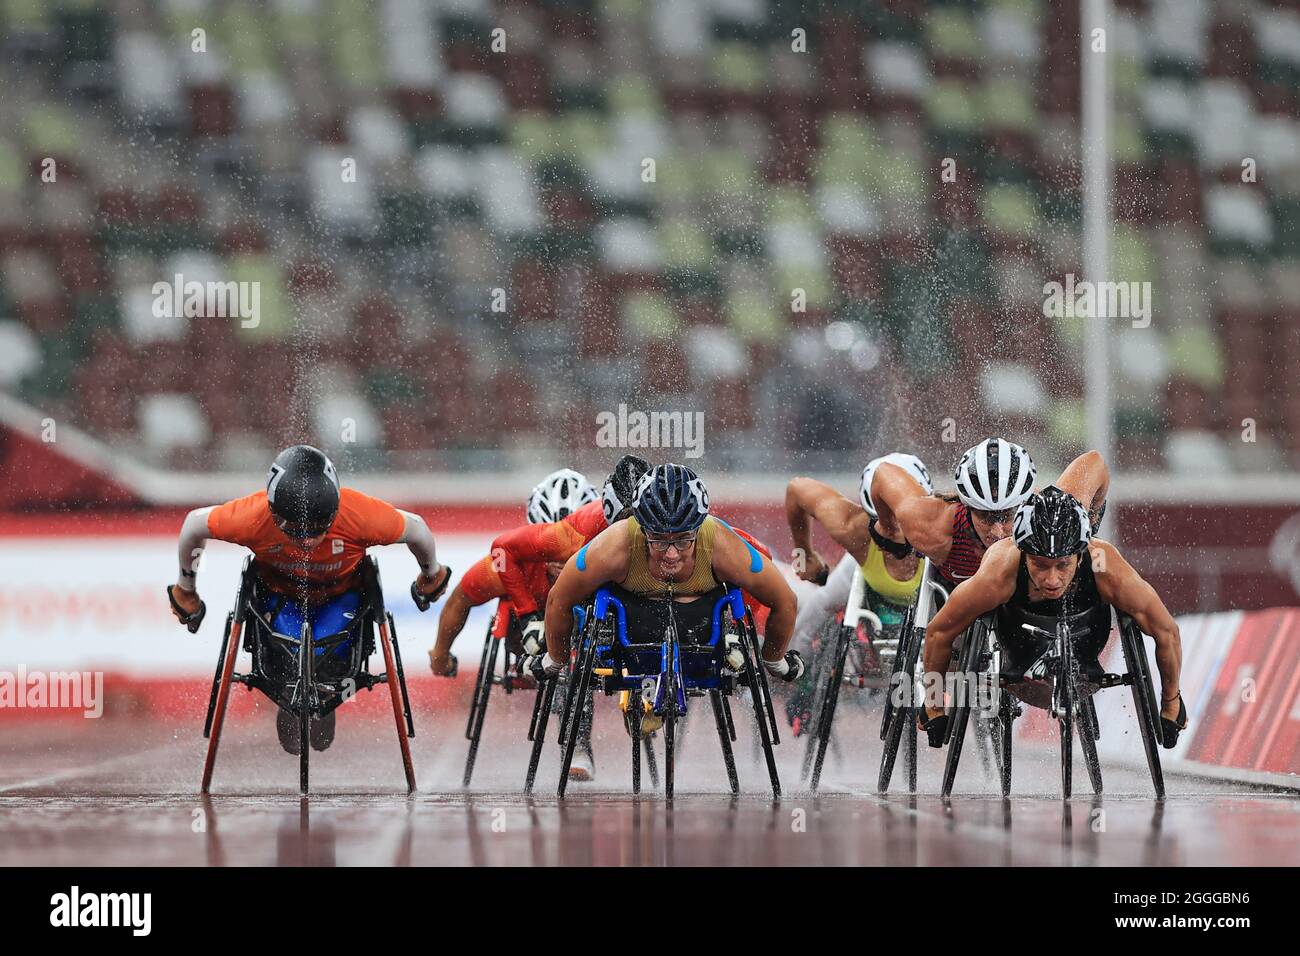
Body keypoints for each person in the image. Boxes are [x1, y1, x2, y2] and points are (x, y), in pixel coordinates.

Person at [166, 445, 452, 754]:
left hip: (342, 599)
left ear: (334, 510)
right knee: (288, 656)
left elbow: (417, 530)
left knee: (325, 655)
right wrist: (186, 589)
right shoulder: (252, 516)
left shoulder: (360, 515)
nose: (306, 540)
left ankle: (325, 691)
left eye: (318, 528)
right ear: (273, 512)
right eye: (293, 529)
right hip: (280, 598)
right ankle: (292, 689)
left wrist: (431, 574)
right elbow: (194, 525)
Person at [916, 486, 1187, 748]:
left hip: (1087, 645)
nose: (1052, 579)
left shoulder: (1103, 563)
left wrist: (1171, 701)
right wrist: (934, 704)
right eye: (1040, 565)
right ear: (1023, 555)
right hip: (1018, 650)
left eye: (1063, 565)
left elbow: (1166, 631)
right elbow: (939, 632)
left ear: (1080, 555)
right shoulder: (1000, 570)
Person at [529, 463, 804, 695]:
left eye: (683, 541)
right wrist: (556, 659)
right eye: (659, 541)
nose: (671, 554)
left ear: (698, 528)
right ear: (642, 528)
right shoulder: (615, 544)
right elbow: (559, 599)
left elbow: (785, 601)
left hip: (701, 632)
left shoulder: (721, 544)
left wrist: (773, 660)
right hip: (632, 631)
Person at [426, 469, 602, 780]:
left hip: (585, 644)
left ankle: (578, 741)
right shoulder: (505, 566)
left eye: (572, 545)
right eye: (551, 546)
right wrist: (441, 654)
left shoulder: (607, 557)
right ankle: (575, 741)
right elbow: (459, 600)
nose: (561, 557)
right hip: (527, 641)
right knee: (563, 660)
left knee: (579, 644)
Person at [782, 453, 934, 732]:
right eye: (884, 524)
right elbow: (797, 489)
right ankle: (800, 684)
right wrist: (806, 554)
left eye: (903, 522)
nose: (893, 533)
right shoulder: (852, 527)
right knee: (818, 606)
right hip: (861, 569)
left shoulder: (942, 528)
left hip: (930, 594)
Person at [869, 438, 1110, 589]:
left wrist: (1088, 522)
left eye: (1007, 516)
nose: (997, 531)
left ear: (1024, 506)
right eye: (986, 517)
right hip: (956, 590)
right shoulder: (933, 527)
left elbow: (1095, 462)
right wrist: (890, 531)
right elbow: (882, 473)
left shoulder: (1054, 517)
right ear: (968, 507)